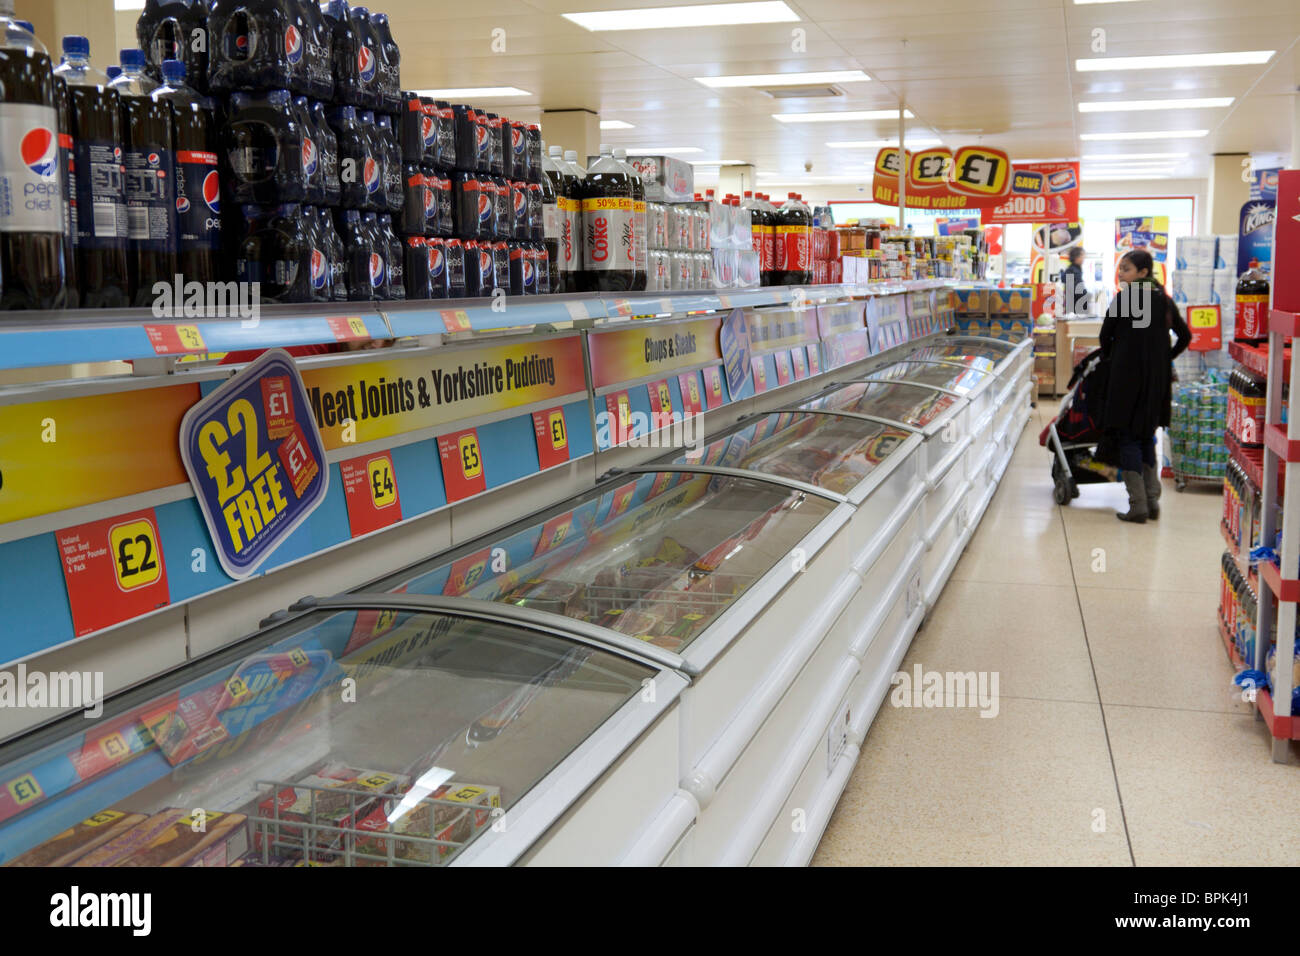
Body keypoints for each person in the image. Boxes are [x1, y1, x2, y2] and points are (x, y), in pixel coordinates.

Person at [1099, 248, 1191, 523]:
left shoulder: (1125, 298)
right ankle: (1151, 500)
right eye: (1121, 268)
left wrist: (1110, 360)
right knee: (1145, 434)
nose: (1121, 272)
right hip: (1156, 380)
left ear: (1142, 272)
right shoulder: (1163, 299)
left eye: (1126, 268)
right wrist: (1165, 359)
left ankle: (1137, 504)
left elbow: (1106, 336)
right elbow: (1185, 335)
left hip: (1126, 377)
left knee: (1127, 435)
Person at [1061, 246, 1090, 315]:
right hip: (1075, 311)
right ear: (1076, 257)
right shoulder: (1073, 271)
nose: (1084, 258)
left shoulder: (1074, 270)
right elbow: (1076, 291)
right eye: (1083, 256)